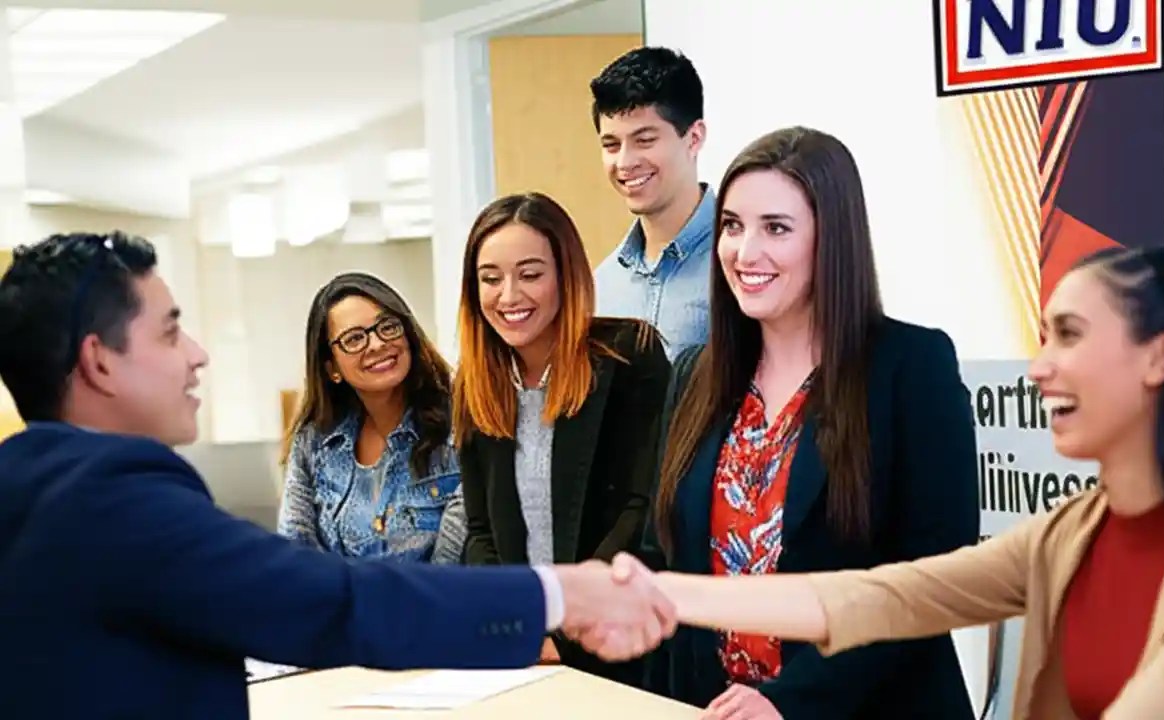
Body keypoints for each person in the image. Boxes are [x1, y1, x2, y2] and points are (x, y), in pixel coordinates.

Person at [0, 232, 676, 720]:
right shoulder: (117, 500)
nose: (198, 355)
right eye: (172, 333)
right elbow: (326, 597)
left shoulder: (26, 483)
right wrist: (555, 596)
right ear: (99, 362)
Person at [616, 245, 1164, 719]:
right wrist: (655, 594)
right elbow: (884, 595)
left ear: (1160, 355)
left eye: (1069, 337)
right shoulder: (1074, 529)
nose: (1040, 368)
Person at [641, 127, 979, 720]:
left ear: (832, 239)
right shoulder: (696, 374)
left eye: (776, 228)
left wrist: (787, 703)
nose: (745, 254)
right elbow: (665, 558)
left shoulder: (911, 367)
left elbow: (931, 583)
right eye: (732, 226)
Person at [453, 192, 672, 685]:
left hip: (616, 646)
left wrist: (566, 632)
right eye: (490, 279)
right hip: (522, 650)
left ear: (565, 275)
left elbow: (643, 512)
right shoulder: (475, 384)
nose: (509, 296)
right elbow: (481, 531)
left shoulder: (629, 356)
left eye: (530, 274)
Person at [277, 272, 466, 563]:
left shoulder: (459, 424)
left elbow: (451, 566)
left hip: (434, 604)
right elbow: (297, 556)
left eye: (387, 327)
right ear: (332, 369)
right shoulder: (313, 444)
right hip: (339, 606)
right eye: (354, 339)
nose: (377, 344)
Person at [590, 46, 715, 359]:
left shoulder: (742, 263)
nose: (625, 162)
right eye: (611, 145)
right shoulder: (602, 285)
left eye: (644, 140)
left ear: (694, 138)